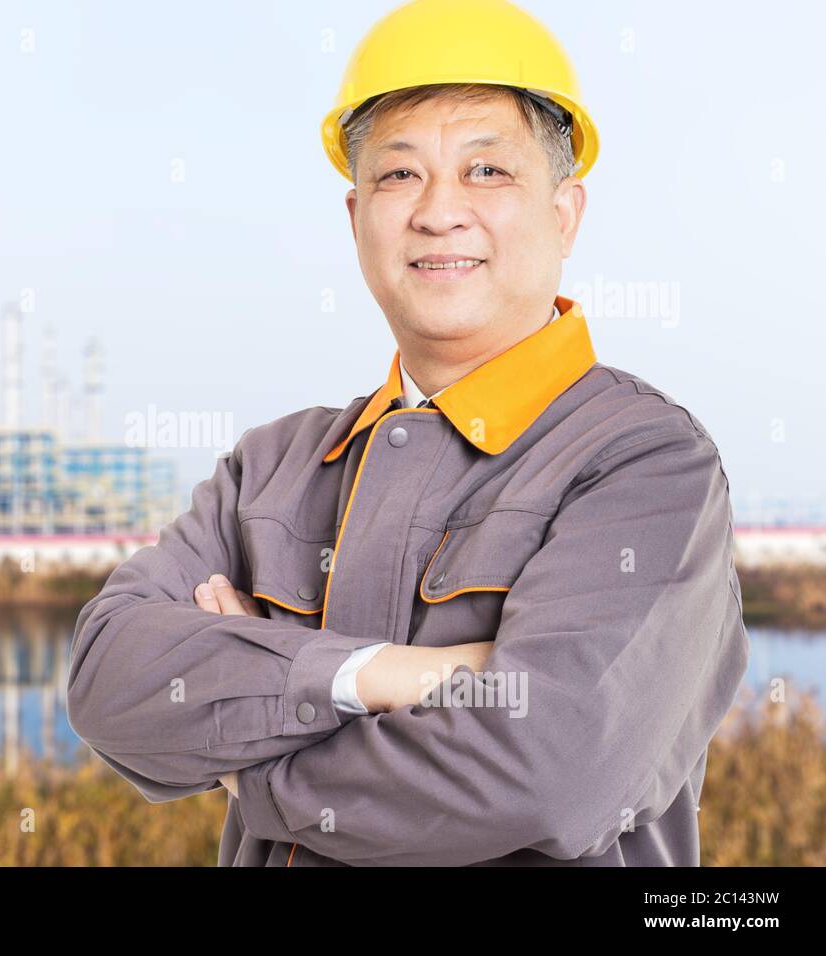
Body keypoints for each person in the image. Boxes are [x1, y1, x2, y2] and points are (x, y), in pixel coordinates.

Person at [66, 0, 748, 866]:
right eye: (399, 176)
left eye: (488, 171)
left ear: (566, 213)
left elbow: (552, 774)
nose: (438, 212)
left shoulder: (644, 464)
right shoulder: (273, 468)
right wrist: (382, 674)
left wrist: (254, 763)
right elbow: (107, 683)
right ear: (356, 219)